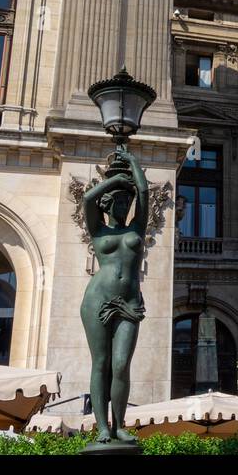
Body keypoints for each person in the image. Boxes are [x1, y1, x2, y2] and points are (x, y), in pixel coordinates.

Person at [80, 145, 149, 445]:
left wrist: (132, 164)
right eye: (118, 203)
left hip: (129, 303)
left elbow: (144, 194)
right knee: (101, 363)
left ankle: (119, 424)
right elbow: (86, 199)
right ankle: (102, 428)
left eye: (126, 202)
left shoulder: (137, 227)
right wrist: (115, 182)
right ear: (108, 206)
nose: (124, 206)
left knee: (121, 364)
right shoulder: (98, 231)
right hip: (98, 300)